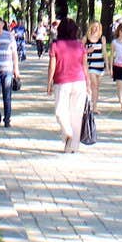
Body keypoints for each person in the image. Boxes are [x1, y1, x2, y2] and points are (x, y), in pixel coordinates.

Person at [47, 18, 89, 152]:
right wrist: (87, 82)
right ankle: (71, 141)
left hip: (63, 82)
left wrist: (49, 82)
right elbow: (85, 65)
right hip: (77, 82)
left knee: (61, 112)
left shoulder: (56, 45)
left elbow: (52, 66)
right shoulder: (79, 45)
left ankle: (70, 139)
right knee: (75, 114)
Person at [0, 16, 22, 127]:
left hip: (7, 70)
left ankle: (7, 120)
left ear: (2, 25)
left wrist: (16, 69)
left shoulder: (9, 36)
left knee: (7, 95)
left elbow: (14, 53)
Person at [83, 20, 107, 106]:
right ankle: (89, 105)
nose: (96, 29)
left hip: (100, 65)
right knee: (93, 84)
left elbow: (104, 52)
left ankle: (95, 105)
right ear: (91, 27)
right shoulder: (86, 38)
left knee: (96, 87)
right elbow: (80, 51)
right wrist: (87, 50)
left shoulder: (102, 38)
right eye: (94, 26)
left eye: (98, 27)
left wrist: (107, 65)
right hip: (90, 65)